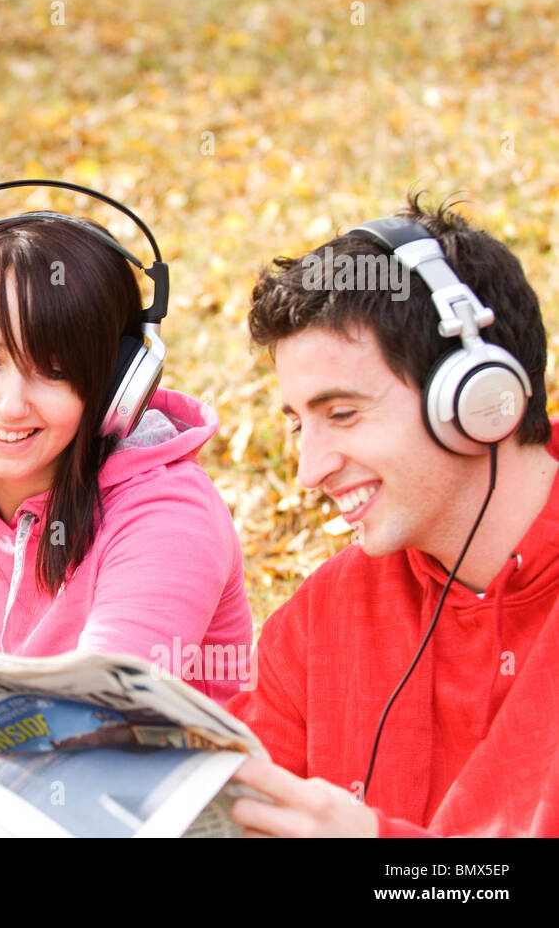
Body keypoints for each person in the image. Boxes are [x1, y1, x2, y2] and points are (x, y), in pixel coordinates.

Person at [227, 194, 559, 837]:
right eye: (300, 426)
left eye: (342, 414)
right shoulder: (323, 620)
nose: (310, 471)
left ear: (480, 397)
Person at [0, 211, 253, 702]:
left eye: (52, 372)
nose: (10, 404)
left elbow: (97, 718)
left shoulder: (171, 520)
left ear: (115, 386)